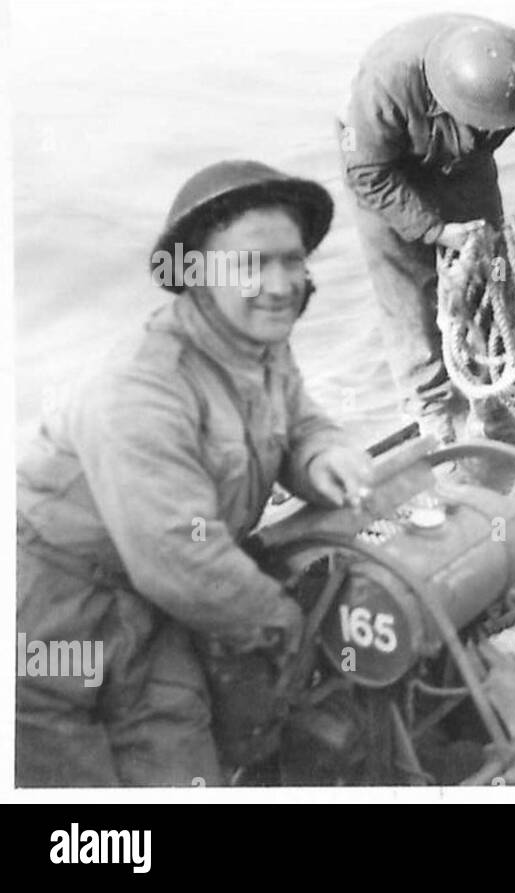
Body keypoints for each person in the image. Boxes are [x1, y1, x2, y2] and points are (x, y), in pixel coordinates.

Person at [15, 160, 372, 786]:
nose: (282, 283)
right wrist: (289, 627)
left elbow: (297, 419)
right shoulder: (140, 389)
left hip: (158, 616)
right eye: (251, 264)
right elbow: (179, 557)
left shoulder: (258, 346)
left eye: (292, 260)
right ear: (196, 277)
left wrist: (322, 456)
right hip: (56, 624)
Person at [339, 13, 515, 446]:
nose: (487, 132)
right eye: (480, 122)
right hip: (388, 174)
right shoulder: (387, 80)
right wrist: (434, 231)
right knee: (409, 303)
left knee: (491, 281)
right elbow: (366, 172)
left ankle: (492, 410)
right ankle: (435, 422)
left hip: (467, 170)